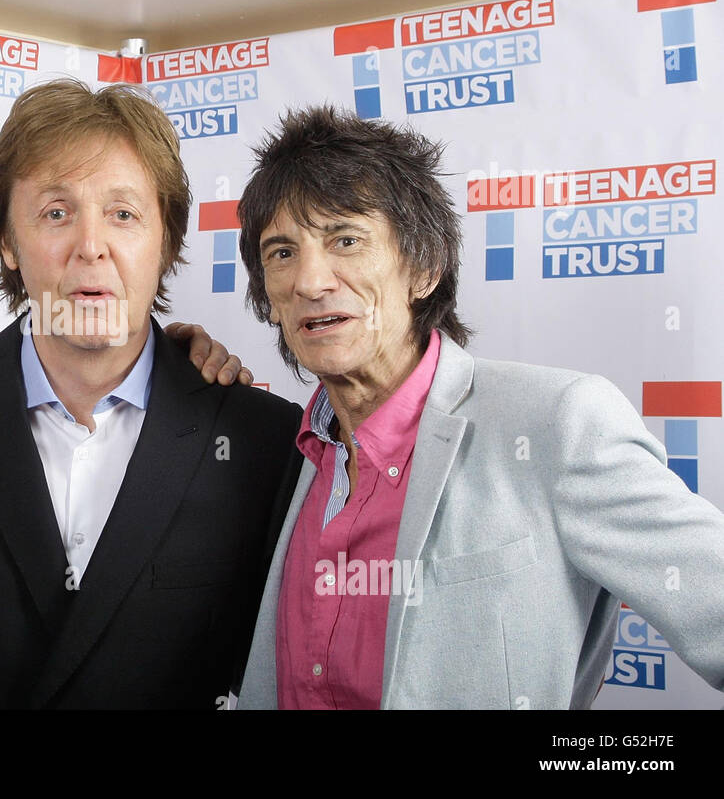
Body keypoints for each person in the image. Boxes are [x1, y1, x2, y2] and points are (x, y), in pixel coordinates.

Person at [233, 105, 724, 709]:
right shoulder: (284, 454)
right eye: (282, 252)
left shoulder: (557, 423)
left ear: (425, 268)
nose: (310, 280)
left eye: (346, 240)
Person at [0, 79, 304, 709]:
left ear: (166, 242)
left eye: (124, 214)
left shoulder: (262, 440)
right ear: (7, 241)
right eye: (56, 212)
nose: (90, 246)